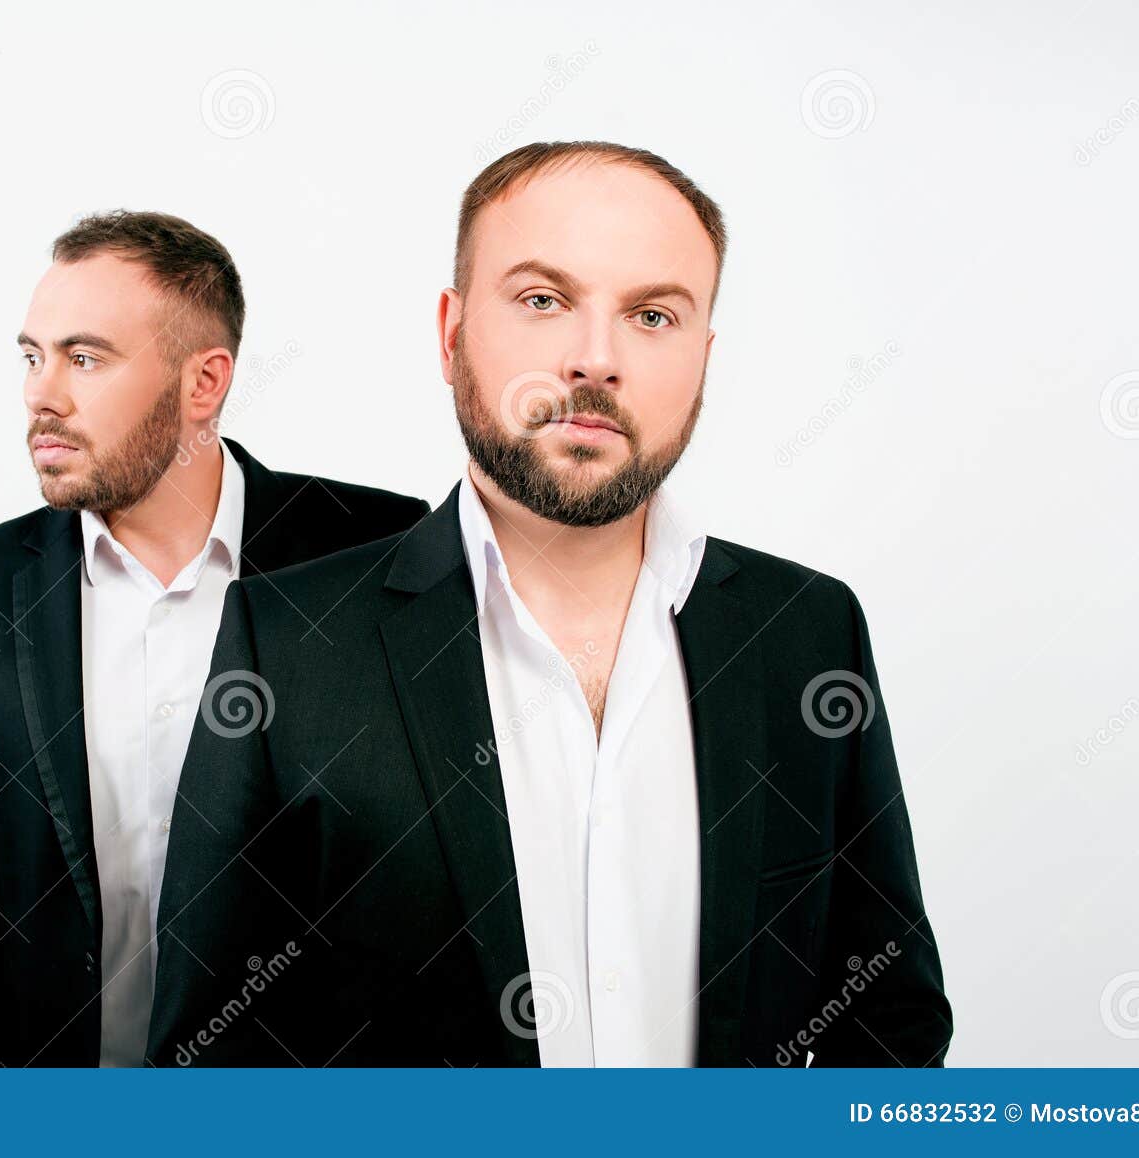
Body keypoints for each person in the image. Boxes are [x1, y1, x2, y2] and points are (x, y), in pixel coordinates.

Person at [147, 143, 951, 1067]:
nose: (595, 359)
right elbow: (206, 1064)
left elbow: (889, 1015)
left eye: (653, 315)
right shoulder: (285, 638)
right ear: (450, 336)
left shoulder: (807, 630)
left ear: (702, 357)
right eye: (543, 300)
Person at [0, 211, 429, 1066]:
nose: (41, 394)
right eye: (33, 357)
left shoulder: (375, 552)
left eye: (85, 358)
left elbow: (422, 883)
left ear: (203, 383)